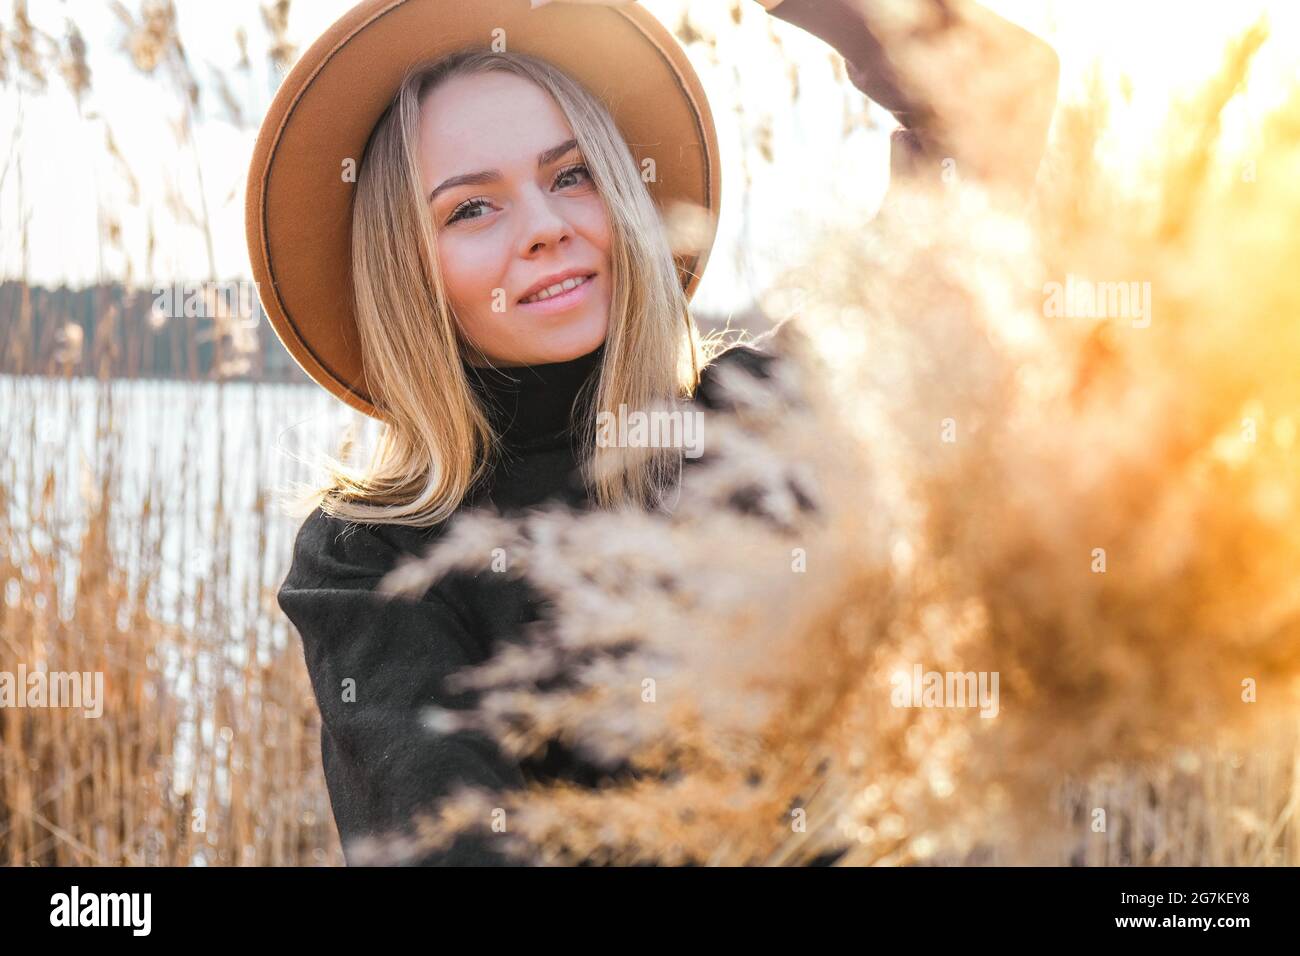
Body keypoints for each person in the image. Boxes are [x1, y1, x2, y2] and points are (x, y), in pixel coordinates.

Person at [248, 0, 1058, 865]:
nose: (547, 228)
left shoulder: (761, 417)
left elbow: (995, 95)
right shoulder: (369, 557)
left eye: (571, 176)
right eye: (471, 210)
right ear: (404, 268)